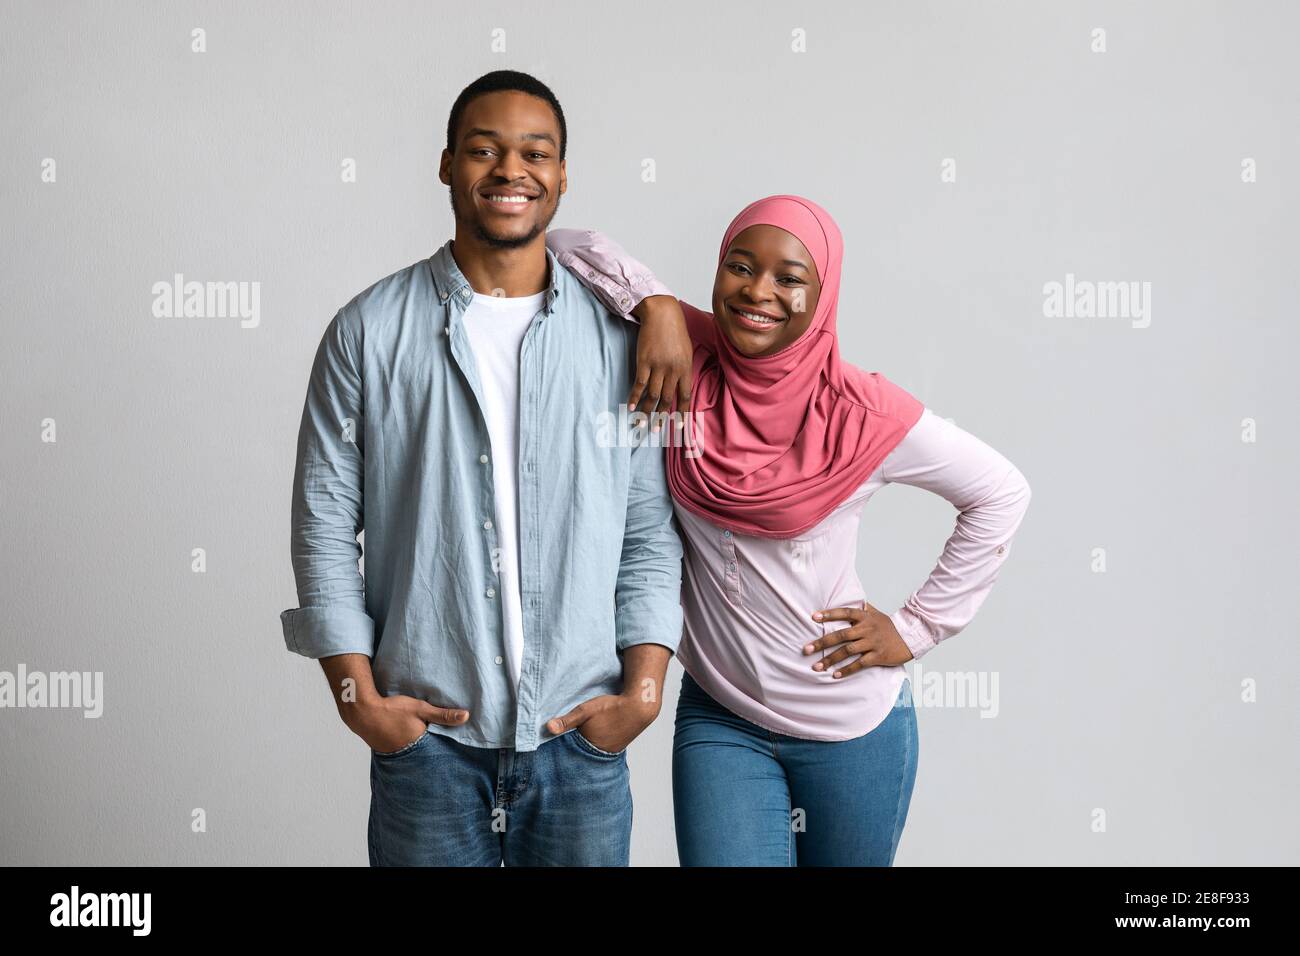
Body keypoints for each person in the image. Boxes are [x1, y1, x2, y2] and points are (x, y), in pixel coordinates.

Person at [278, 70, 689, 866]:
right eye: (484, 150)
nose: (510, 171)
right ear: (446, 165)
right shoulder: (367, 331)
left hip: (581, 739)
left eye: (536, 153)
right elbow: (324, 523)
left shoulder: (620, 341)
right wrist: (361, 702)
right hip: (428, 745)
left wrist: (643, 691)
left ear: (562, 177)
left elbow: (647, 527)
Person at [546, 194, 1033, 865]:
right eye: (740, 267)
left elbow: (1001, 492)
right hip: (722, 717)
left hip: (852, 730)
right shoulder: (685, 358)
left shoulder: (861, 409)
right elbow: (562, 243)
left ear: (822, 292)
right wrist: (655, 305)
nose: (759, 292)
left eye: (789, 278)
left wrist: (916, 628)